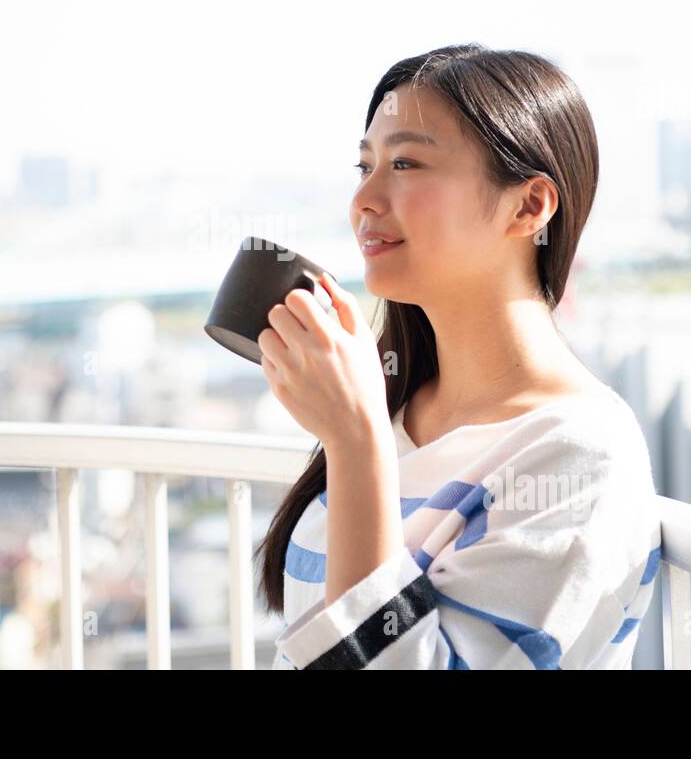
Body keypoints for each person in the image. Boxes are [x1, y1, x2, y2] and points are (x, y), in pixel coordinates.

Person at [253, 43, 662, 669]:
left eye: (407, 164)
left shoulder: (580, 453)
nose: (364, 199)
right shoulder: (398, 405)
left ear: (529, 207)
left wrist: (356, 441)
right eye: (364, 166)